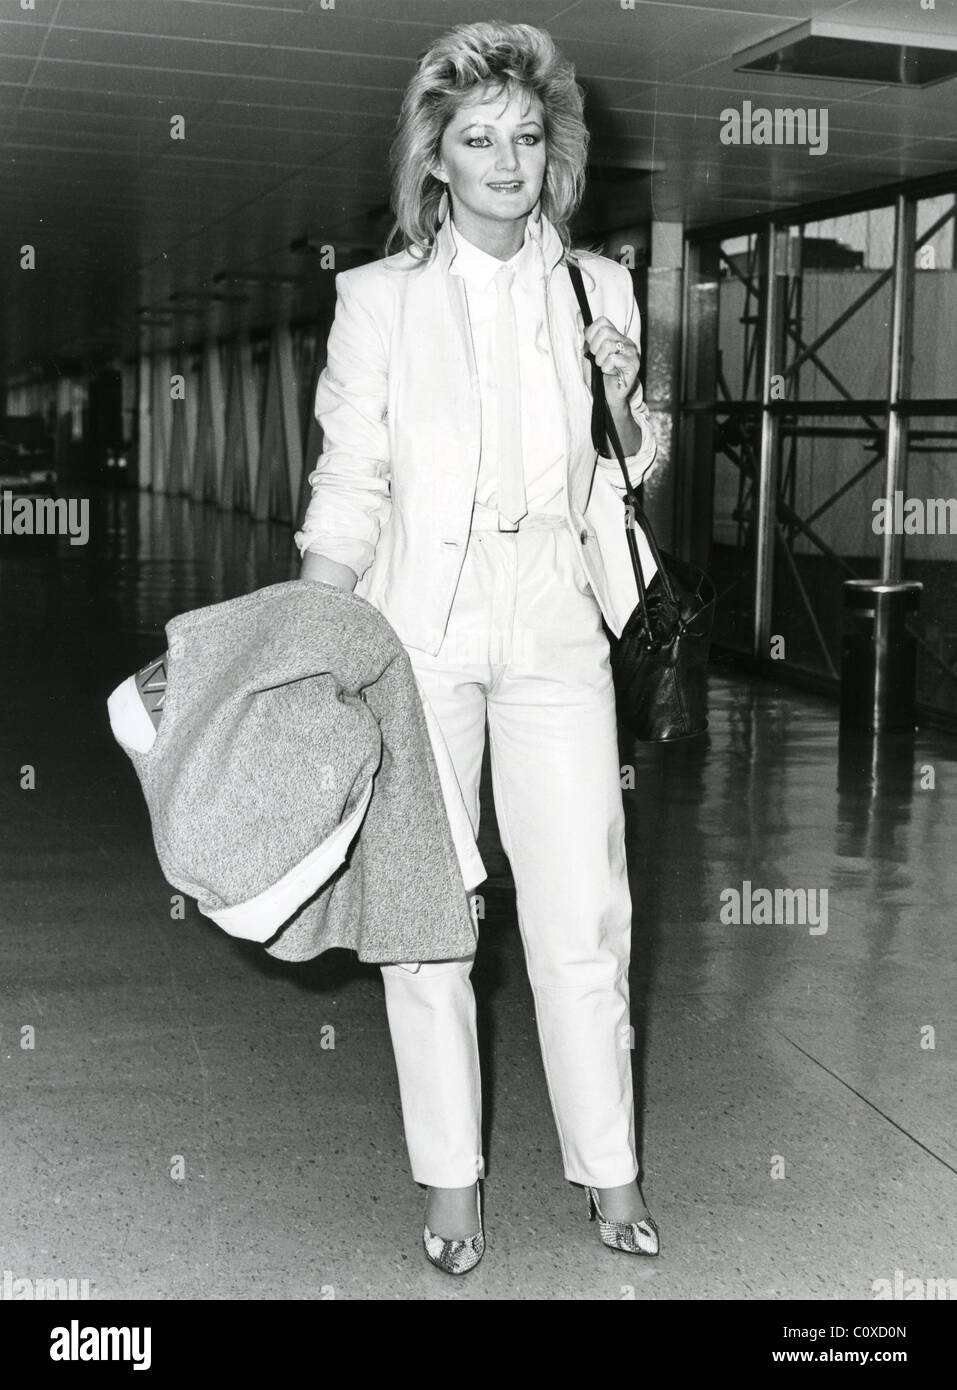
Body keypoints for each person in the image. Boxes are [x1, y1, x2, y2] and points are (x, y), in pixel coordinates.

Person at [296, 20, 660, 1274]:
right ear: (435, 160)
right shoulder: (378, 302)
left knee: (583, 912)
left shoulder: (597, 287)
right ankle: (451, 1180)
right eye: (477, 139)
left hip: (556, 622)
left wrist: (625, 399)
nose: (508, 159)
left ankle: (609, 1169)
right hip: (424, 636)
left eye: (525, 135)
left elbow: (627, 470)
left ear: (549, 149)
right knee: (429, 918)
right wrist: (311, 629)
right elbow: (351, 483)